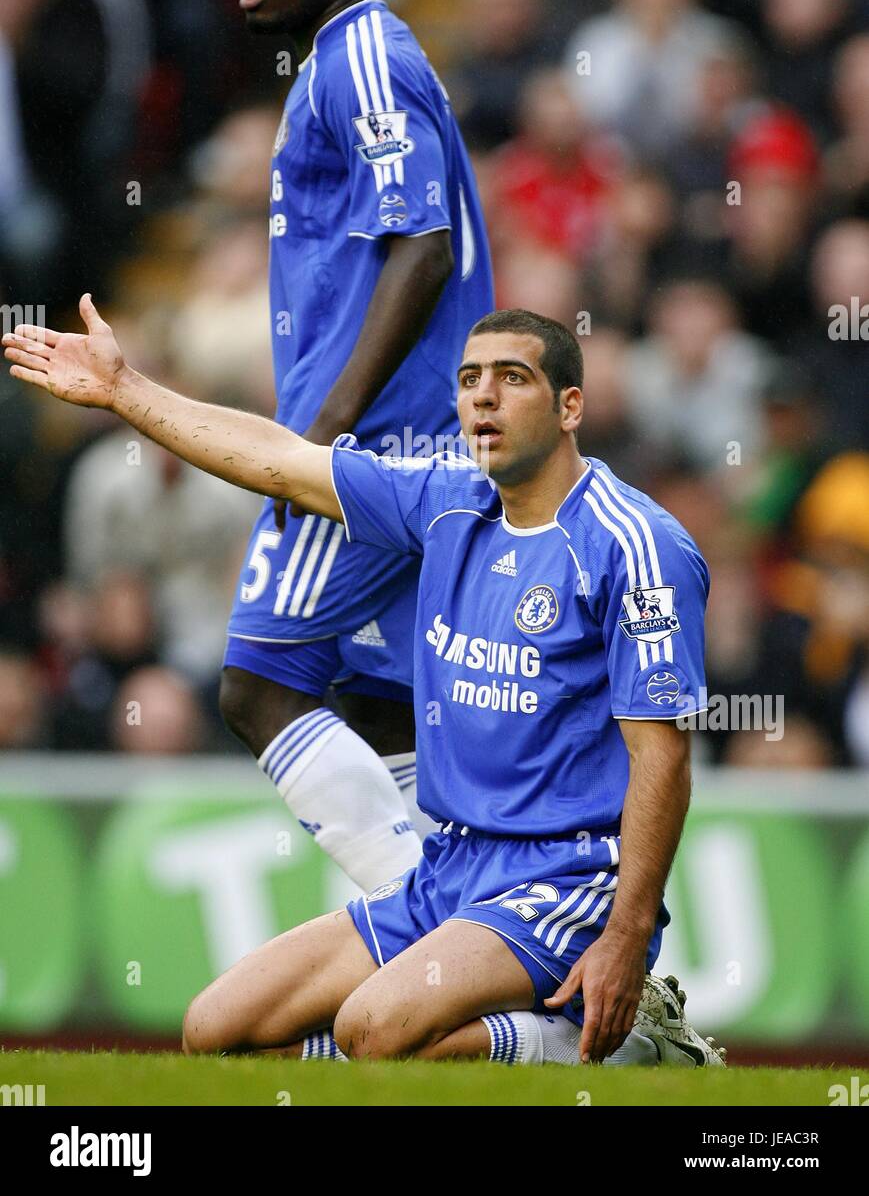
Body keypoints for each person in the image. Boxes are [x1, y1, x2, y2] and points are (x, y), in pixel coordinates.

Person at [4, 302, 726, 1068]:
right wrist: (125, 391)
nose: (483, 397)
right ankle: (542, 1040)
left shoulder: (636, 545)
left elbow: (662, 760)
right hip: (451, 868)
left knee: (374, 1030)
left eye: (512, 379)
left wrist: (623, 934)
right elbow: (280, 461)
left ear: (569, 405)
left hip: (567, 881)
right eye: (469, 379)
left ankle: (639, 1049)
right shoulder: (447, 500)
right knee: (216, 1031)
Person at [222, 0, 494, 893]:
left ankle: (439, 931)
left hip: (377, 450)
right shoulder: (337, 65)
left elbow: (419, 244)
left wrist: (320, 434)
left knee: (258, 685)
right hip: (415, 448)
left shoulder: (361, 59)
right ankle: (467, 974)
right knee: (381, 711)